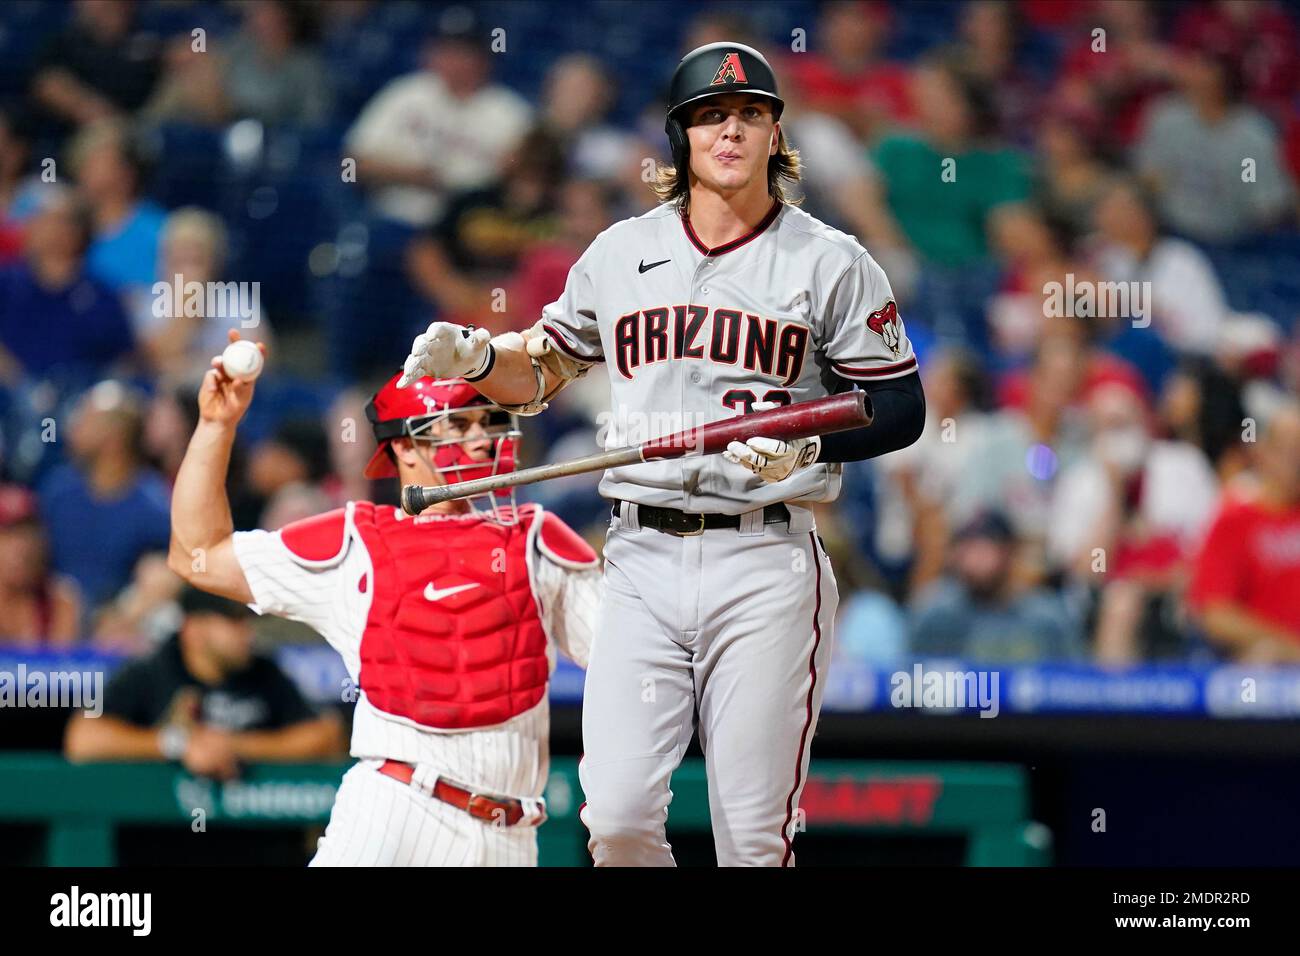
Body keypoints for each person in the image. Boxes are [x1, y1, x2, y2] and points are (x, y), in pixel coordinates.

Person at [399, 42, 926, 866]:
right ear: (679, 138)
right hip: (638, 555)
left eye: (750, 114)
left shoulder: (830, 260)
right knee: (614, 817)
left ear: (775, 133)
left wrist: (809, 445)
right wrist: (475, 361)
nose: (730, 131)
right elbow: (539, 371)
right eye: (710, 116)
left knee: (752, 837)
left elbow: (900, 406)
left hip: (764, 554)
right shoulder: (620, 253)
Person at [165, 332, 600, 866]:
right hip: (395, 812)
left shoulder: (537, 539)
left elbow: (624, 656)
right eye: (459, 424)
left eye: (489, 422)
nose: (483, 440)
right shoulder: (353, 543)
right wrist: (216, 424)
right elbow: (197, 553)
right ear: (403, 445)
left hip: (510, 834)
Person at [65, 584, 344, 777]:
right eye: (234, 621)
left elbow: (325, 735)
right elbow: (83, 739)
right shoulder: (152, 669)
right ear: (194, 629)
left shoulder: (262, 669)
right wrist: (178, 745)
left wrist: (233, 746)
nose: (247, 632)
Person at [343, 5, 532, 230]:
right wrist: (411, 175)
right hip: (387, 220)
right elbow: (352, 163)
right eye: (445, 49)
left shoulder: (511, 113)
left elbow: (524, 185)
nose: (453, 59)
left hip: (462, 230)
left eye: (463, 50)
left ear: (484, 57)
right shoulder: (405, 92)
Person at [37, 380, 171, 617]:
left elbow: (161, 578)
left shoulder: (153, 505)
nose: (71, 428)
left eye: (85, 420)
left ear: (115, 437)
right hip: (49, 622)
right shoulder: (57, 490)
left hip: (118, 630)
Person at [1185, 401, 1300, 662]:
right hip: (1263, 661)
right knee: (1263, 657)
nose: (1296, 462)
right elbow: (1215, 613)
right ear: (1264, 452)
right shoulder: (1235, 519)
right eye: (1287, 450)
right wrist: (1290, 648)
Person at [909, 511, 1082, 663]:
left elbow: (1074, 684)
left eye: (985, 548)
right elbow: (908, 683)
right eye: (968, 548)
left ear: (1010, 552)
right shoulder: (937, 617)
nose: (975, 560)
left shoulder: (1046, 619)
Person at [0, 485, 80, 648]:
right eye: (7, 536)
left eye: (27, 535)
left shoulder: (57, 601)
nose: (21, 548)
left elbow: (62, 669)